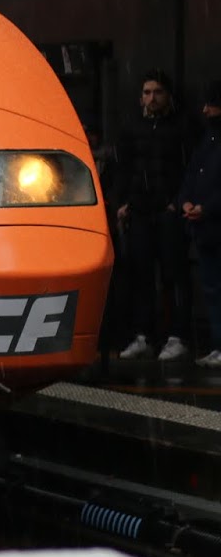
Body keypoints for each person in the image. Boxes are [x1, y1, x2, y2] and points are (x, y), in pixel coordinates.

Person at [111, 70, 194, 361]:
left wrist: (179, 202)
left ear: (168, 95)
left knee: (173, 274)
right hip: (140, 210)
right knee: (141, 275)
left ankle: (177, 335)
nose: (151, 98)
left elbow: (189, 168)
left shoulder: (181, 127)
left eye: (157, 92)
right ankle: (143, 335)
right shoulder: (132, 127)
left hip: (168, 210)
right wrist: (123, 202)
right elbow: (124, 168)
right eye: (147, 92)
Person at [178, 81, 221, 367]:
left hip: (213, 223)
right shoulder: (208, 140)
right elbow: (192, 175)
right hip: (206, 227)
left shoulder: (210, 140)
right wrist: (187, 201)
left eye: (212, 104)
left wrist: (204, 207)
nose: (206, 110)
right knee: (212, 290)